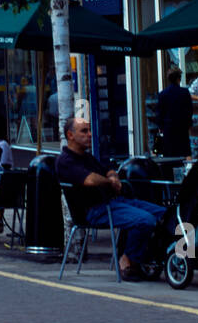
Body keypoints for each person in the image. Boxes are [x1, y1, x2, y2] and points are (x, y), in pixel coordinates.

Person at [55, 116, 166, 281]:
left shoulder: (87, 157)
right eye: (84, 131)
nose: (90, 134)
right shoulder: (65, 161)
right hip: (94, 210)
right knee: (146, 220)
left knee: (165, 214)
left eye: (90, 130)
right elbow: (90, 179)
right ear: (70, 135)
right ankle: (127, 259)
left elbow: (108, 170)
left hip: (114, 202)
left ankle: (150, 257)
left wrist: (113, 177)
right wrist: (110, 181)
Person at [155, 67, 193, 157]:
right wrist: (188, 124)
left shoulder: (163, 94)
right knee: (184, 153)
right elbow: (189, 110)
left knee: (169, 155)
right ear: (178, 79)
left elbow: (159, 113)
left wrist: (161, 126)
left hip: (168, 128)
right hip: (182, 128)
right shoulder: (185, 92)